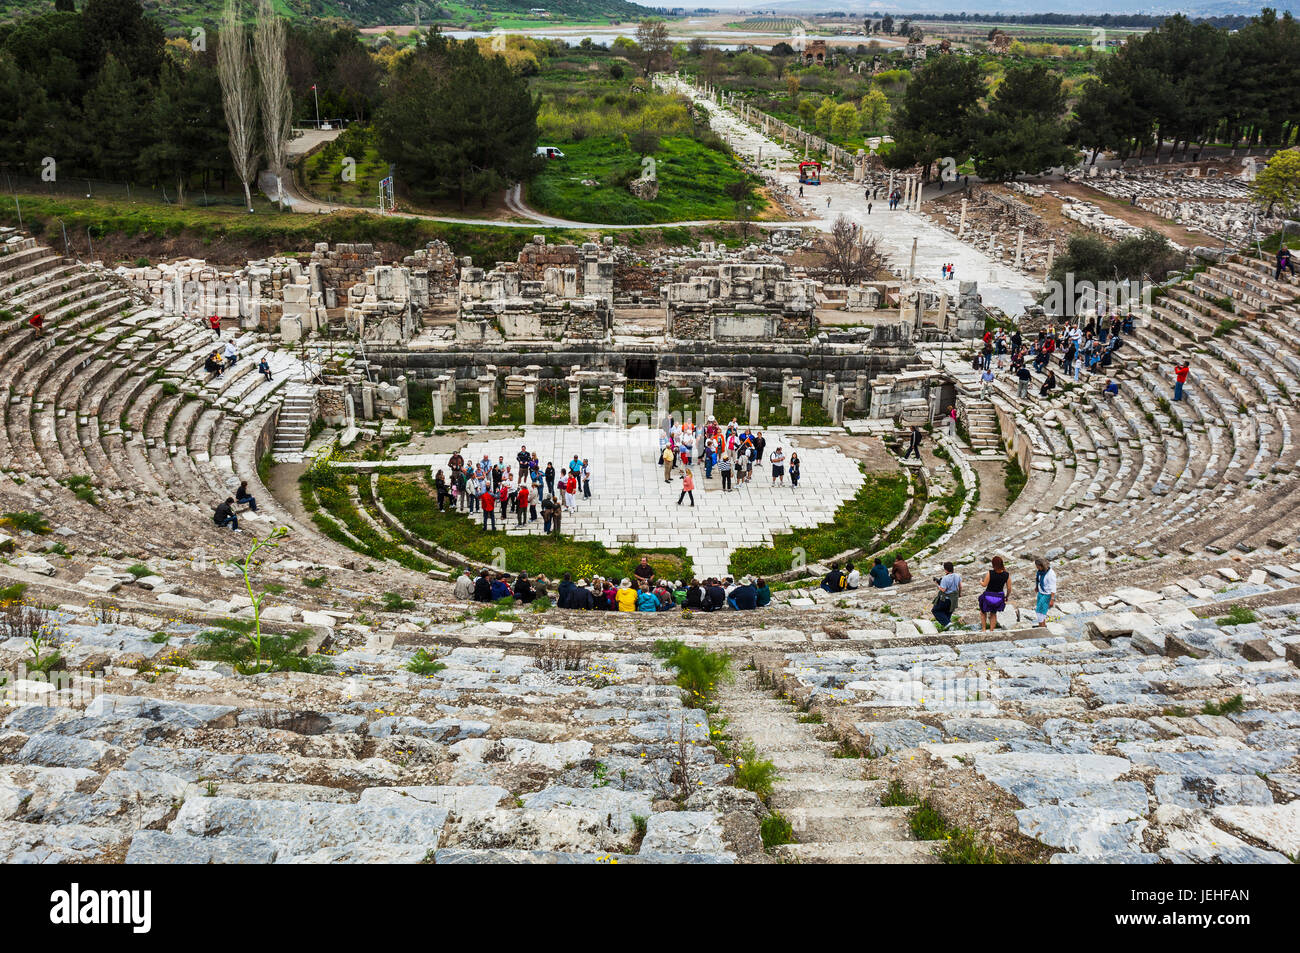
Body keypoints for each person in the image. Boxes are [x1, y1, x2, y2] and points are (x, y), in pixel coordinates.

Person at [978, 555, 1011, 631]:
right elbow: (1009, 588)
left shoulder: (990, 573)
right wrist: (1006, 596)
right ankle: (991, 630)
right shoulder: (1006, 575)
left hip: (988, 596)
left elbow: (984, 584)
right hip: (999, 597)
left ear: (993, 564)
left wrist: (980, 581)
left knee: (983, 612)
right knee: (993, 614)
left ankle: (983, 629)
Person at [933, 561, 962, 626]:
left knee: (935, 610)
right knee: (947, 613)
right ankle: (950, 627)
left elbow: (943, 590)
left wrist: (937, 585)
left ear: (946, 570)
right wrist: (959, 594)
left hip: (946, 599)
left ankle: (948, 624)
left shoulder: (945, 578)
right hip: (954, 599)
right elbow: (960, 586)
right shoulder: (957, 576)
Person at [1033, 557, 1057, 627]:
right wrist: (1037, 587)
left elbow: (1053, 587)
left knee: (1040, 611)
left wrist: (1052, 599)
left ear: (1042, 566)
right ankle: (1042, 624)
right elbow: (1038, 580)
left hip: (1047, 594)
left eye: (1037, 566)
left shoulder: (1050, 574)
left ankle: (1042, 626)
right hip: (1041, 592)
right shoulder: (1040, 572)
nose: (1037, 568)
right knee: (1040, 610)